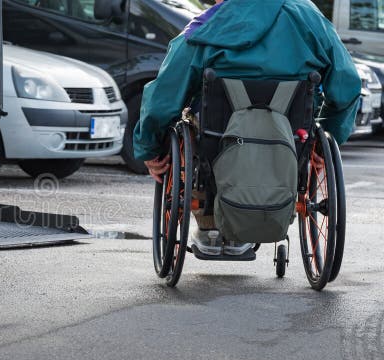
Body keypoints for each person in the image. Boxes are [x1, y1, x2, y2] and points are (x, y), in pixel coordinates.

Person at [133, 0, 361, 256]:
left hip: (218, 139)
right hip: (290, 140)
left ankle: (210, 223)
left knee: (195, 128)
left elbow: (164, 93)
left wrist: (150, 148)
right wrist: (330, 135)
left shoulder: (208, 26)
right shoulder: (309, 17)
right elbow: (348, 84)